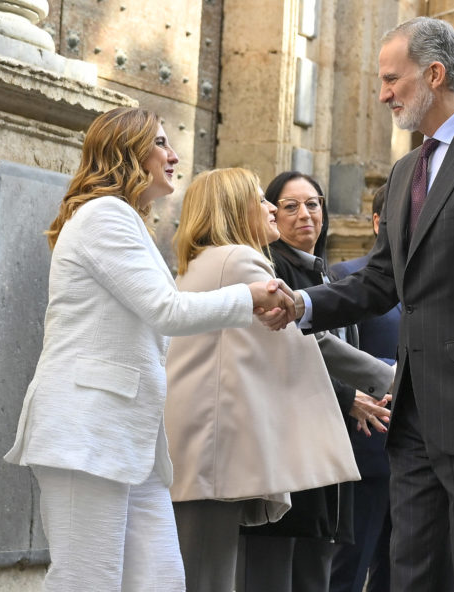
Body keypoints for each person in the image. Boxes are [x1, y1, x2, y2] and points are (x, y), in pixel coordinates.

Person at [265, 17, 454, 591]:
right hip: (415, 416)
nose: (382, 94)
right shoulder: (404, 173)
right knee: (411, 574)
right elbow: (378, 281)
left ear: (435, 73)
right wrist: (302, 304)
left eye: (392, 79)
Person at [3, 107, 294, 592]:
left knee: (159, 580)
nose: (174, 155)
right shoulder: (104, 215)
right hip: (87, 434)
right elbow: (166, 311)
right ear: (126, 152)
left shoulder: (124, 219)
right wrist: (248, 297)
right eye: (160, 143)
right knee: (86, 582)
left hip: (127, 442)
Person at [165, 167, 361, 592]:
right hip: (211, 452)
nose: (272, 208)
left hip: (198, 448)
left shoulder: (206, 259)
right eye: (263, 199)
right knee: (206, 579)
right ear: (236, 209)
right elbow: (311, 340)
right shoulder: (239, 259)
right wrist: (390, 379)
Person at [238, 171, 393, 592]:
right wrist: (357, 392)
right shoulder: (272, 267)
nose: (305, 214)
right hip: (290, 445)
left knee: (317, 568)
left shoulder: (320, 272)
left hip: (326, 444)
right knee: (283, 570)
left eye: (313, 203)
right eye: (290, 206)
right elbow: (303, 345)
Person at [327, 185, 399, 592]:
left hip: (421, 453)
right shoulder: (343, 277)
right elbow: (336, 357)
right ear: (376, 223)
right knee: (349, 569)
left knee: (402, 571)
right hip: (365, 448)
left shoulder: (436, 284)